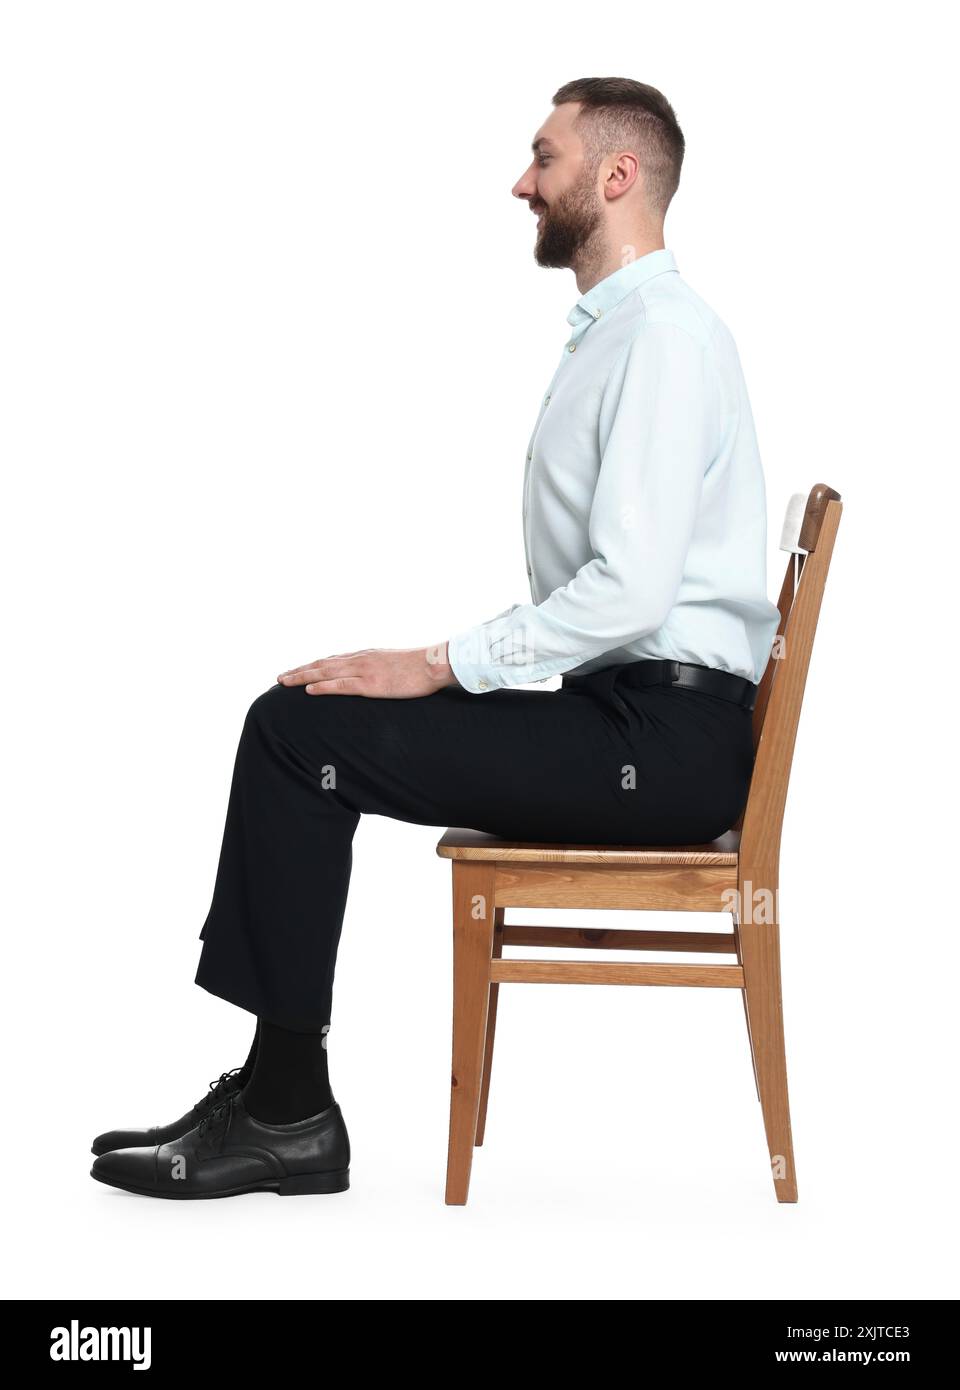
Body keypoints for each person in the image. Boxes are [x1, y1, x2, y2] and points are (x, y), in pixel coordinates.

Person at [90, 76, 781, 1199]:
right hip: (629, 720)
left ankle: (285, 1110)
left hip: (662, 740)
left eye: (544, 158)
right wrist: (443, 672)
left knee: (292, 734)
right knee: (300, 723)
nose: (522, 180)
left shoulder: (662, 337)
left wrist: (433, 665)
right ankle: (280, 1092)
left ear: (617, 177)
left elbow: (633, 592)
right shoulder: (629, 334)